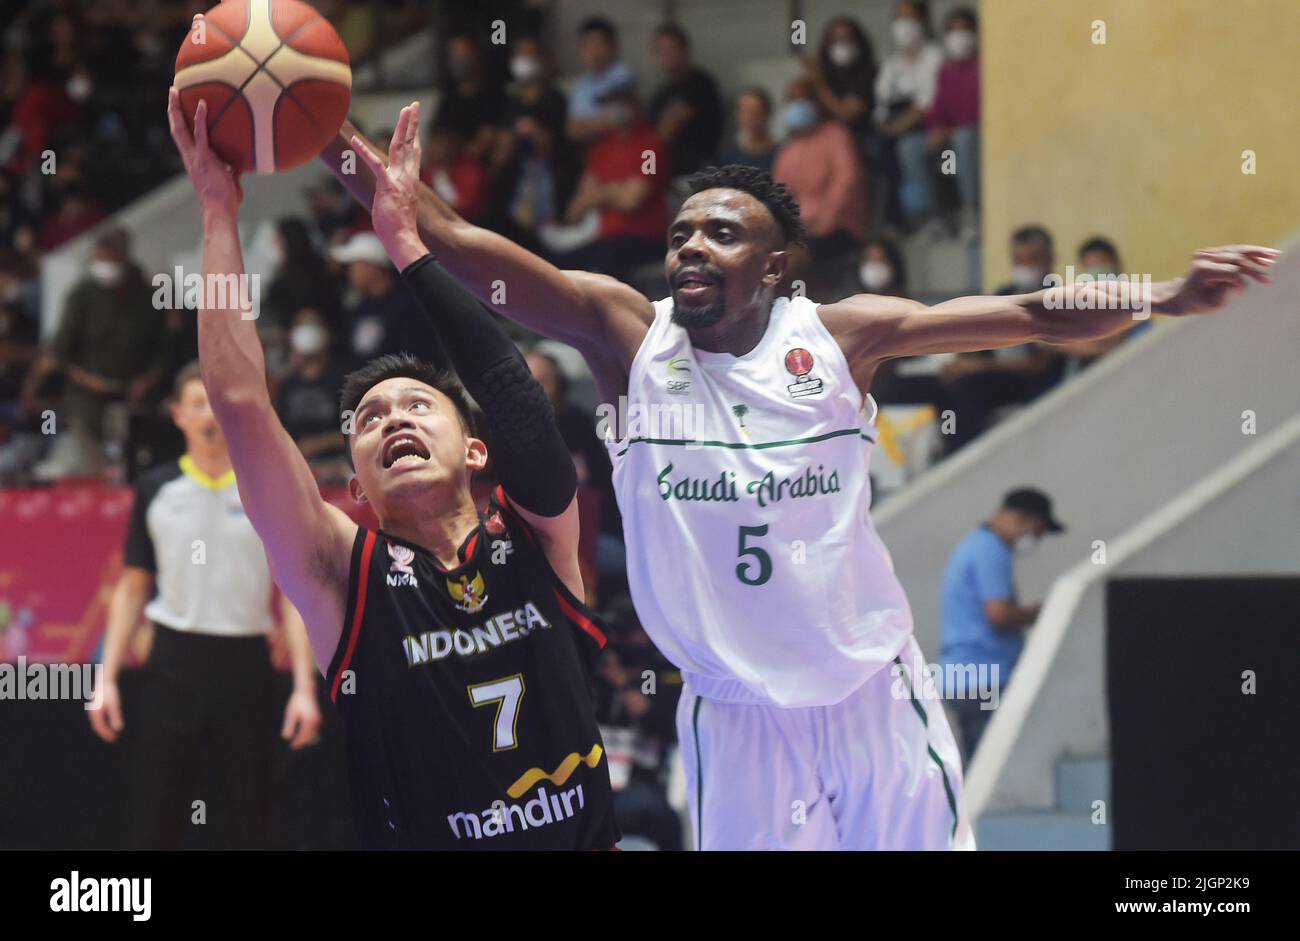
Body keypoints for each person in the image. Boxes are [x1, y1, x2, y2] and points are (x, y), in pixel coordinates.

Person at [324, 103, 1276, 850]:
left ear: (777, 267)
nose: (690, 245)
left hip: (870, 692)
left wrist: (1160, 294)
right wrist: (314, 124)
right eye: (682, 233)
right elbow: (446, 235)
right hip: (737, 721)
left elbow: (1031, 311)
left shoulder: (839, 337)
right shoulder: (628, 335)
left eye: (721, 235)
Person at [168, 81, 619, 850]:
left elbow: (512, 393)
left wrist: (406, 244)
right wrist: (218, 211)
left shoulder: (540, 537)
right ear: (357, 488)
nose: (392, 419)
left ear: (477, 450)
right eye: (369, 420)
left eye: (417, 406)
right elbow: (241, 404)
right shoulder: (341, 573)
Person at [88, 362, 322, 849]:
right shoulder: (156, 489)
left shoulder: (265, 489)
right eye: (198, 404)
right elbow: (133, 587)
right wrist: (105, 678)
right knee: (157, 814)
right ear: (179, 415)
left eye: (218, 404)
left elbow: (294, 595)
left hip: (246, 665)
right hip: (173, 664)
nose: (210, 415)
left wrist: (304, 687)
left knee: (250, 814)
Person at [23, 228, 170, 479]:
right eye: (98, 260)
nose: (104, 267)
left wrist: (147, 380)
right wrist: (90, 381)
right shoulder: (82, 294)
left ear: (123, 258)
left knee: (136, 467)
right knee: (95, 470)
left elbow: (163, 349)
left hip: (134, 398)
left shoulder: (147, 295)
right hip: (87, 400)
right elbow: (62, 351)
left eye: (109, 260)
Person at [938, 488, 1063, 762]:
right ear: (1024, 520)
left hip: (967, 677)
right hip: (984, 677)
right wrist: (1044, 612)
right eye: (1037, 532)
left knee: (978, 763)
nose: (1035, 540)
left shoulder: (976, 545)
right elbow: (1000, 614)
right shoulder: (990, 549)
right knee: (992, 763)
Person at [938, 225, 1066, 450]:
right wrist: (960, 361)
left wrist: (977, 366)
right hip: (993, 371)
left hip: (1029, 382)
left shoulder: (1059, 300)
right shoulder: (1005, 295)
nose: (1024, 267)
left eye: (1032, 259)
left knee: (968, 387)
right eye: (1018, 260)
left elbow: (1037, 365)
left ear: (1050, 258)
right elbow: (976, 335)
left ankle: (965, 457)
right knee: (923, 386)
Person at [875, 1, 944, 230]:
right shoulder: (891, 64)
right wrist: (885, 124)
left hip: (928, 127)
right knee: (878, 148)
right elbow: (882, 101)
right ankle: (892, 217)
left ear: (923, 21)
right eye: (900, 18)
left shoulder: (935, 57)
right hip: (894, 127)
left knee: (908, 147)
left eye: (910, 18)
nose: (905, 25)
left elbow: (928, 101)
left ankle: (926, 214)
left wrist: (900, 126)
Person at [926, 7, 981, 241]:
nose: (959, 37)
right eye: (953, 31)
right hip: (951, 139)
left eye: (965, 30)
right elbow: (938, 110)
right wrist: (936, 129)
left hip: (977, 136)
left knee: (964, 139)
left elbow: (977, 110)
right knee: (918, 146)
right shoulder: (946, 72)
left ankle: (971, 211)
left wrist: (951, 130)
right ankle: (940, 216)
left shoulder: (984, 68)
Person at [647, 23, 723, 178]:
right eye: (660, 51)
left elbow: (667, 130)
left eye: (671, 49)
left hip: (698, 172)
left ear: (685, 50)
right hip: (667, 173)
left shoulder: (701, 83)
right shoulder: (661, 93)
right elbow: (649, 134)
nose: (666, 56)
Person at [567, 17, 637, 146]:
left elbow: (620, 119)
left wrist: (587, 125)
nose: (593, 51)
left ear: (612, 47)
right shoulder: (580, 85)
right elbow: (573, 130)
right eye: (588, 45)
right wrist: (598, 123)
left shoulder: (623, 75)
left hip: (621, 149)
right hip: (591, 153)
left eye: (599, 44)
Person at [719, 88, 777, 175]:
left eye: (755, 112)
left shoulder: (780, 154)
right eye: (744, 111)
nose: (749, 117)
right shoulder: (728, 152)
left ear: (766, 113)